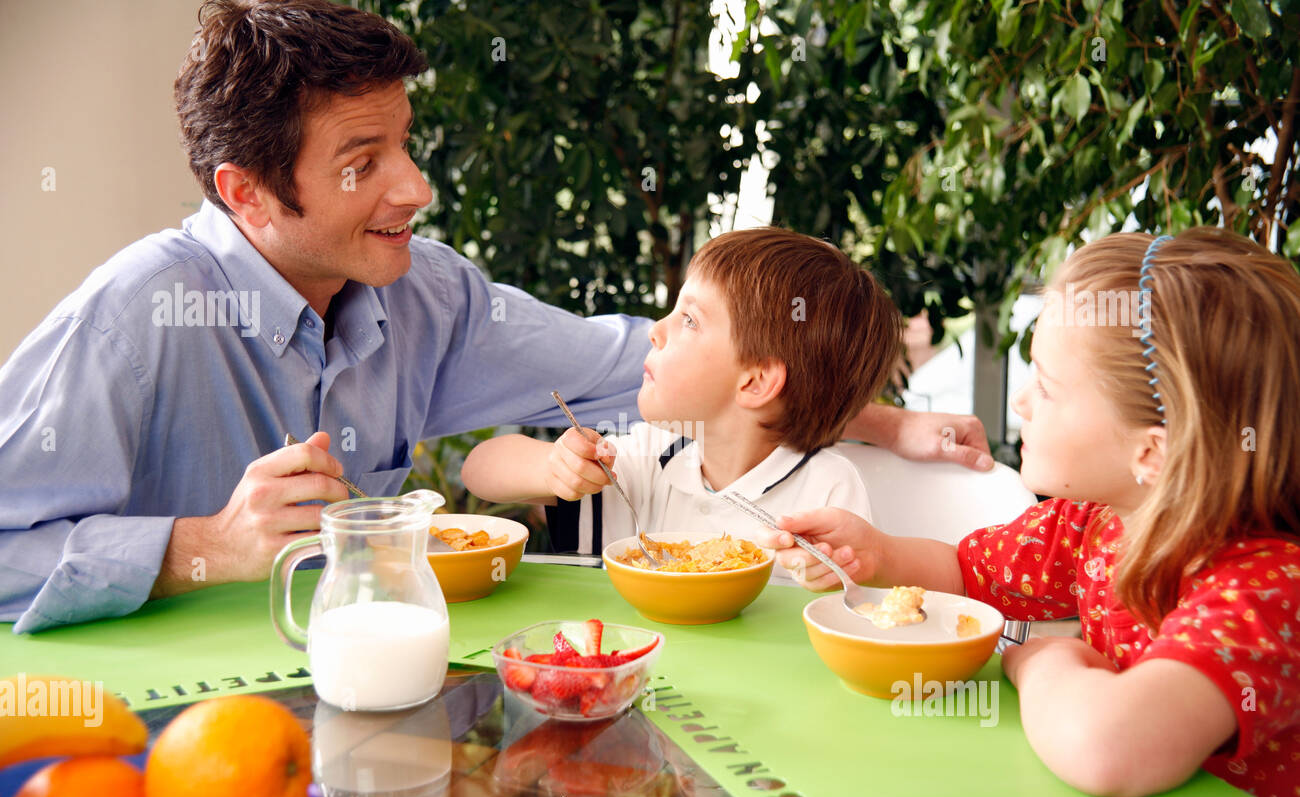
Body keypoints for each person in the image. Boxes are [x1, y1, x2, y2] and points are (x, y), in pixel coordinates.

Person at [0, 0, 988, 635]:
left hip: (361, 725)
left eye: (404, 145)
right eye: (362, 165)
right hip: (159, 779)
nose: (416, 187)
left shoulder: (420, 291)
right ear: (247, 192)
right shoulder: (130, 320)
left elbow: (652, 364)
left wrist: (881, 420)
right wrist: (204, 546)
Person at [769, 227, 1300, 797]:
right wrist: (877, 553)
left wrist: (1043, 659)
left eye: (1045, 387)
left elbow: (1110, 748)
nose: (1020, 401)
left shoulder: (1268, 592)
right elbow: (970, 571)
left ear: (1151, 453)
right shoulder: (1095, 524)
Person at [461, 227, 899, 569]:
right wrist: (551, 467)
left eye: (688, 319)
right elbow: (479, 468)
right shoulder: (650, 457)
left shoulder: (826, 492)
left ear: (754, 382)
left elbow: (846, 614)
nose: (655, 330)